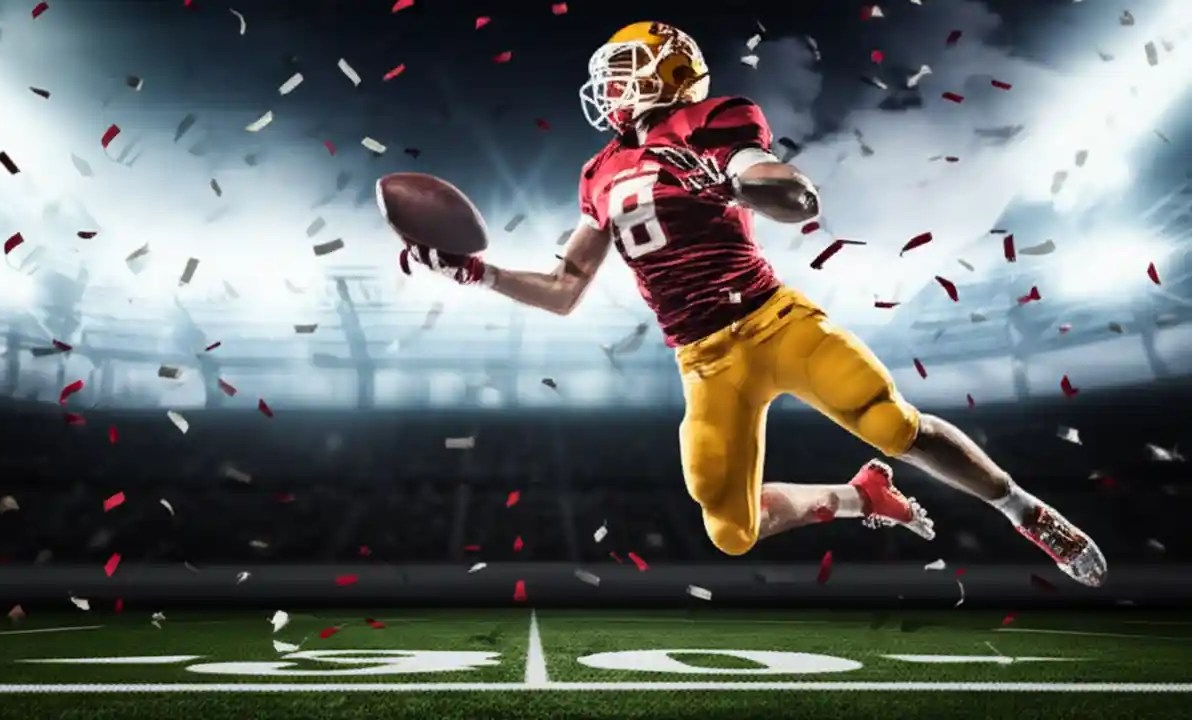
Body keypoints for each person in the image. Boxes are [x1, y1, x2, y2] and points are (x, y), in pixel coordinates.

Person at [398, 21, 1106, 586]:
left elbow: (797, 198)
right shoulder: (599, 171)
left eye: (624, 70)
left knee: (891, 423)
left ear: (671, 72)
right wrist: (477, 273)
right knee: (730, 531)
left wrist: (725, 181)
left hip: (773, 321)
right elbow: (563, 290)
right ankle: (861, 497)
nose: (610, 87)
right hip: (704, 360)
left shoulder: (711, 119)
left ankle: (1025, 510)